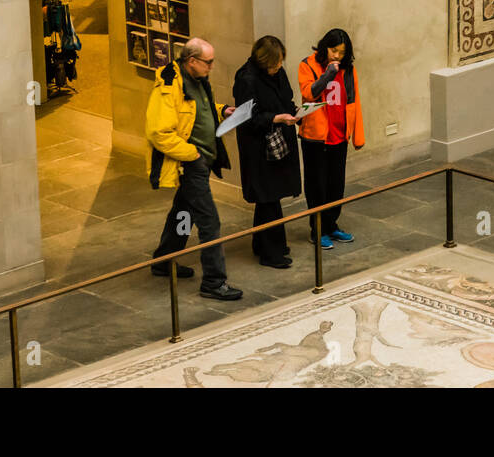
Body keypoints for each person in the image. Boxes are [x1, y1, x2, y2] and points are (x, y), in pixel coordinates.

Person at [146, 36, 243, 301]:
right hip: (189, 164)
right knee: (209, 221)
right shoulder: (168, 87)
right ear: (191, 61)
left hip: (199, 161)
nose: (211, 67)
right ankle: (213, 281)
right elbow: (159, 132)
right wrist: (193, 154)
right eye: (208, 62)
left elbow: (199, 109)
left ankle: (164, 259)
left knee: (183, 212)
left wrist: (222, 111)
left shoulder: (198, 81)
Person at [233, 35, 301, 269]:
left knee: (269, 198)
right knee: (268, 197)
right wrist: (276, 117)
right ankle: (270, 252)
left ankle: (265, 244)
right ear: (264, 62)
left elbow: (286, 97)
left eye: (280, 62)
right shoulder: (247, 79)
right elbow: (247, 117)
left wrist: (295, 113)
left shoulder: (277, 73)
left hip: (279, 139)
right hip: (259, 147)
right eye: (275, 64)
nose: (279, 67)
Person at [297, 28, 365, 249]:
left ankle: (331, 224)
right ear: (325, 46)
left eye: (342, 53)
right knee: (317, 186)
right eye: (334, 50)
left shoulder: (349, 70)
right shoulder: (307, 65)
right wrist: (328, 73)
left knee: (336, 186)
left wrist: (356, 134)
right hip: (315, 138)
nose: (337, 56)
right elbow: (309, 93)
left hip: (338, 135)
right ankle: (317, 231)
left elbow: (354, 101)